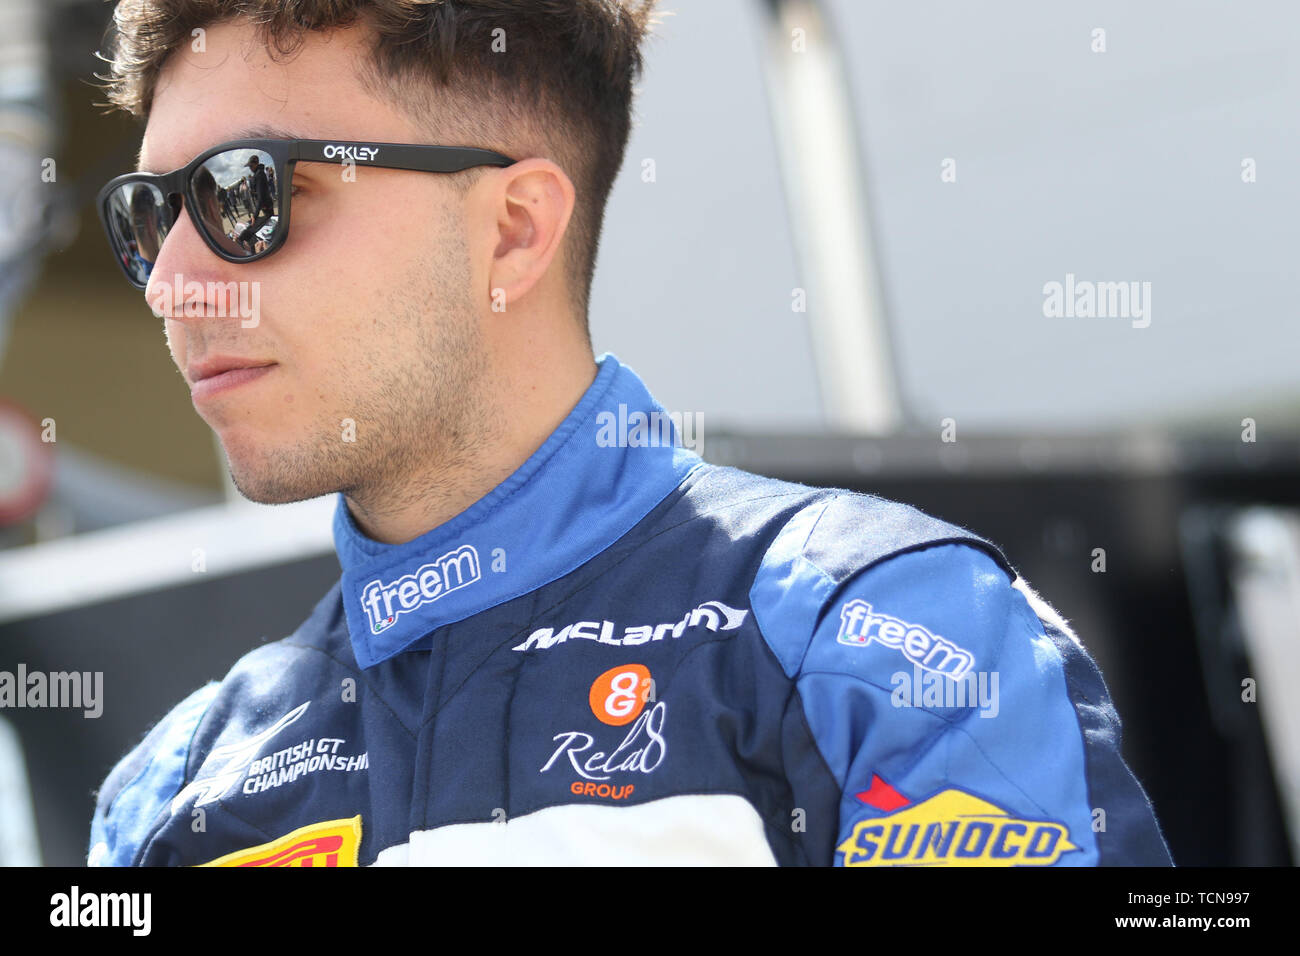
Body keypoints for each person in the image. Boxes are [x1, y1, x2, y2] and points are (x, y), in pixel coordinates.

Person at [87, 0, 1172, 867]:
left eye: (247, 196)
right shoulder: (175, 789)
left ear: (512, 232)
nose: (176, 286)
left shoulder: (875, 637)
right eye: (148, 214)